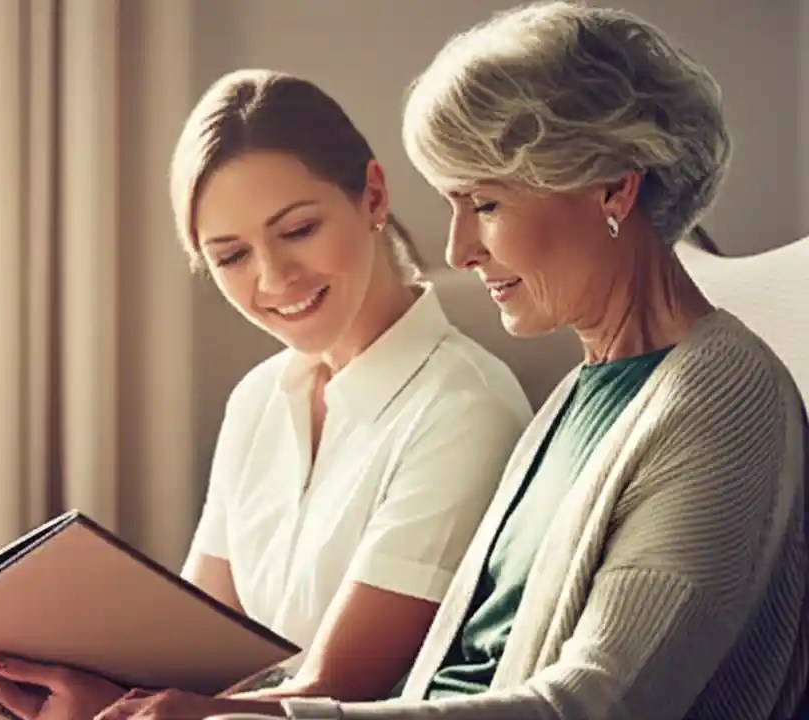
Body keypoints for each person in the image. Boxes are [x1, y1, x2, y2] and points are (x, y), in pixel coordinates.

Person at [105, 3, 809, 719]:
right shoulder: (580, 392)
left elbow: (596, 705)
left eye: (485, 204)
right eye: (452, 204)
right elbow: (451, 679)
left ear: (613, 188)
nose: (457, 250)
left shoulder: (724, 405)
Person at [0, 68, 532, 720]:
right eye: (232, 256)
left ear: (374, 195)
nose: (273, 278)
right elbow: (192, 657)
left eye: (299, 230)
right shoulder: (258, 400)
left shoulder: (462, 409)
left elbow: (338, 694)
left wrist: (120, 711)